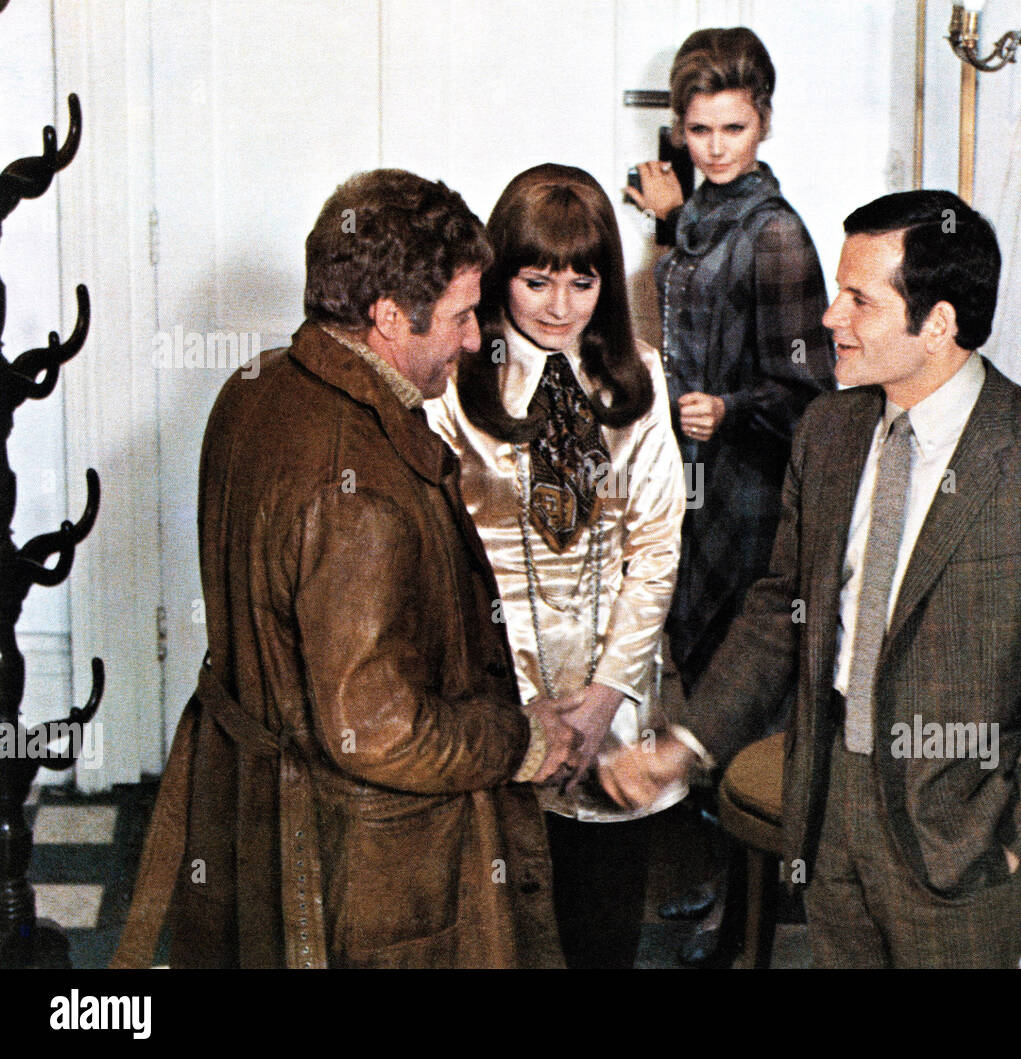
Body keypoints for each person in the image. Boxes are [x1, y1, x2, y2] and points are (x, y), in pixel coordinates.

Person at [600, 190, 1021, 968]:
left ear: (940, 324)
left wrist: (1015, 834)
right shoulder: (828, 432)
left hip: (962, 842)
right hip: (829, 808)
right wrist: (690, 738)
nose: (829, 317)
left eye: (859, 298)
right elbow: (777, 610)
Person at [113, 169, 575, 969]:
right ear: (389, 317)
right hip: (366, 867)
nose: (474, 339)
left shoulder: (252, 388)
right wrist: (520, 740)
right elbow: (379, 730)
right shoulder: (356, 489)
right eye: (463, 315)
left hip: (251, 825)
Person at [425, 164, 686, 968]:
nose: (560, 305)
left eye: (582, 280)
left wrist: (604, 699)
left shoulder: (638, 377)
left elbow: (657, 548)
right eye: (537, 281)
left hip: (610, 700)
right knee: (498, 930)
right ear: (501, 274)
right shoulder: (453, 387)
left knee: (601, 931)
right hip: (498, 698)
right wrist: (526, 712)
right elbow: (441, 558)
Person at [624, 26, 836, 958]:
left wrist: (734, 406)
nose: (715, 147)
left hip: (750, 498)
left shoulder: (778, 232)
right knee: (699, 682)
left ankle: (745, 913)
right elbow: (695, 295)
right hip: (696, 490)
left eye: (733, 128)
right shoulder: (704, 210)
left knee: (737, 698)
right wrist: (670, 227)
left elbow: (815, 394)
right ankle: (717, 886)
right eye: (700, 128)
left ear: (765, 122)